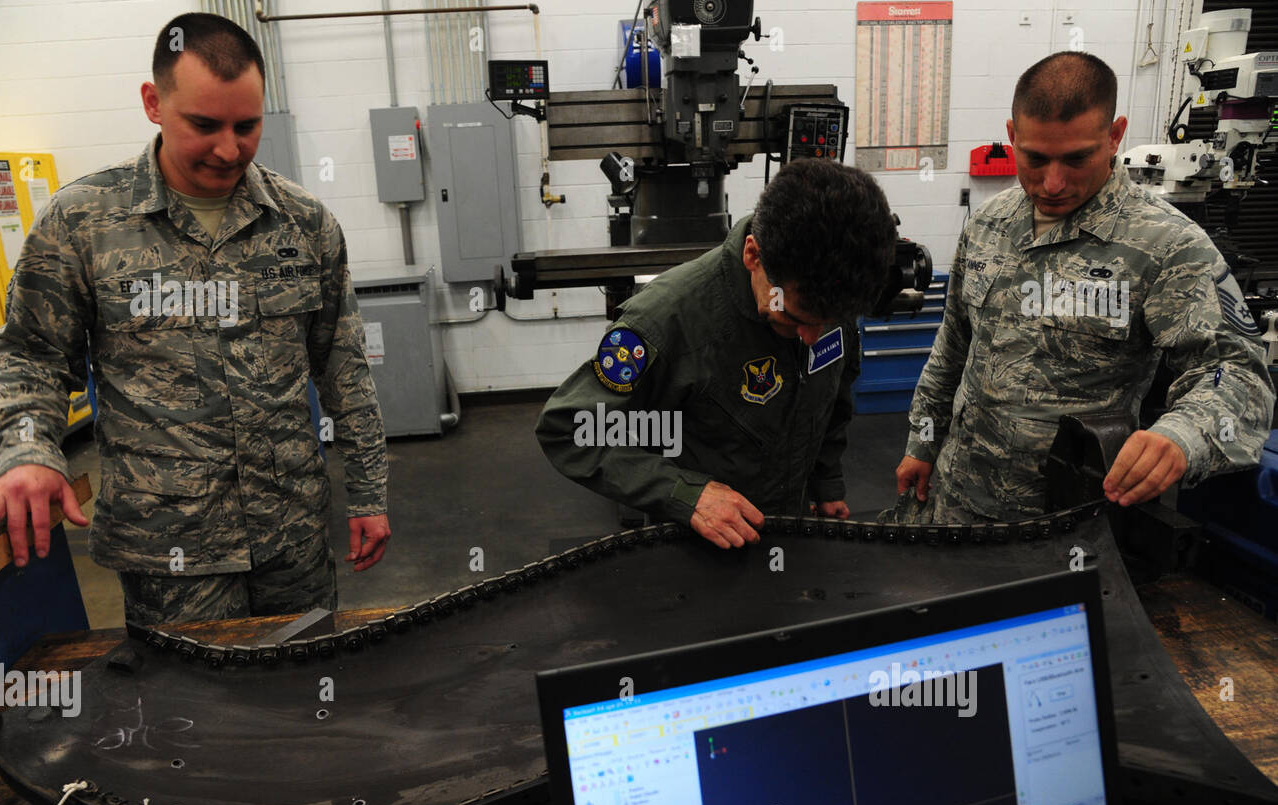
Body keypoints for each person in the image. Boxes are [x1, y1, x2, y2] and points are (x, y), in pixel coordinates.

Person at [0, 13, 391, 625]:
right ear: (154, 103)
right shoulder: (82, 223)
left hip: (291, 538)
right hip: (168, 553)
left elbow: (342, 364)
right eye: (204, 125)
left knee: (307, 702)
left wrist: (368, 491)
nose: (229, 149)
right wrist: (28, 447)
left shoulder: (304, 223)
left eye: (246, 126)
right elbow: (27, 355)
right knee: (188, 716)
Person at [892, 52, 1274, 523]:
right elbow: (953, 347)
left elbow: (1237, 373)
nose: (1052, 183)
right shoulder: (989, 224)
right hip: (957, 501)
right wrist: (923, 442)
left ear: (1114, 136)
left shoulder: (1167, 246)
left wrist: (1183, 435)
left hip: (1066, 523)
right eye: (1034, 158)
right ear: (1012, 136)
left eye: (1077, 159)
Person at [536, 159, 897, 549]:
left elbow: (832, 397)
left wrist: (826, 483)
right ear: (753, 256)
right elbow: (570, 428)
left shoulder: (830, 296)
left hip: (790, 529)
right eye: (794, 319)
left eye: (828, 323)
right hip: (697, 543)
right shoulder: (667, 320)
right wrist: (686, 494)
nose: (811, 337)